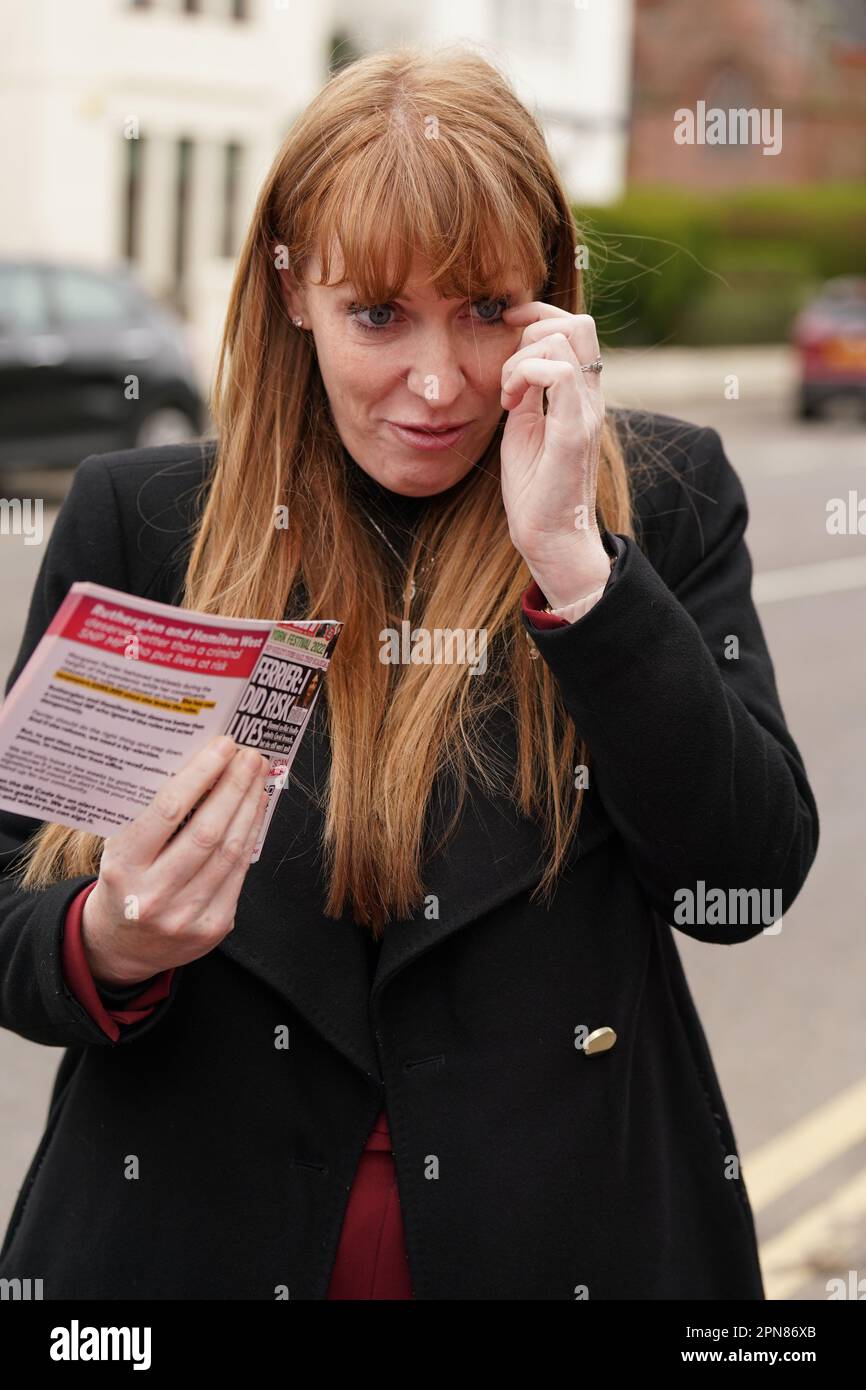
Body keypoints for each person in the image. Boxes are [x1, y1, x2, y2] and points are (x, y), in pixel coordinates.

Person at [0, 44, 819, 1300]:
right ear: (291, 292)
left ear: (550, 300)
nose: (437, 385)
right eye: (378, 314)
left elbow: (741, 881)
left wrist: (577, 569)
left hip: (560, 1240)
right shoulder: (144, 517)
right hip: (192, 1241)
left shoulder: (659, 500)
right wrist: (110, 938)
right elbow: (10, 899)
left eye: (487, 310)